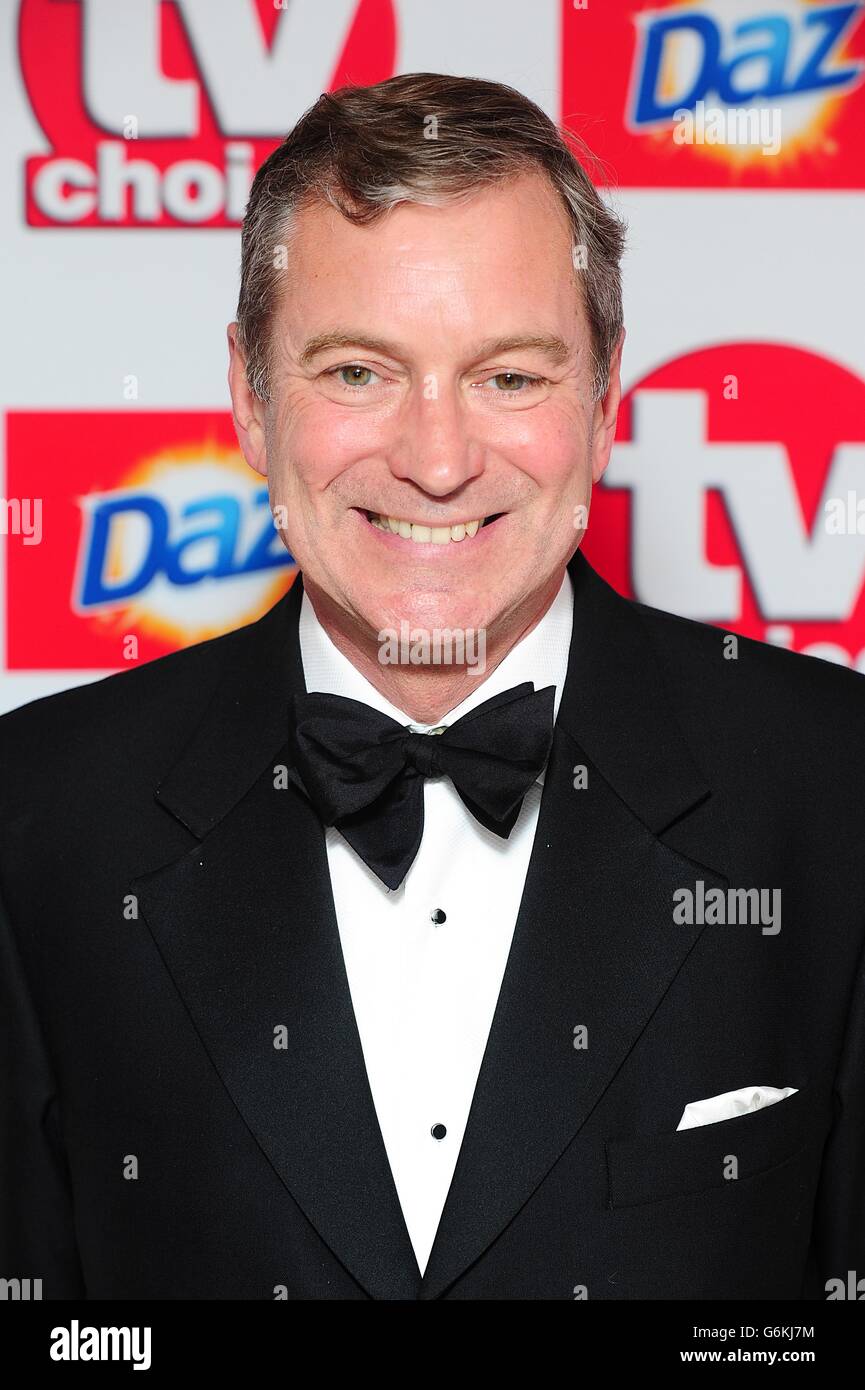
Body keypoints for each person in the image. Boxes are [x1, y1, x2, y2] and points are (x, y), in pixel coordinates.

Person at [1, 73, 863, 1301]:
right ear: (249, 395)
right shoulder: (39, 819)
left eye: (509, 376)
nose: (437, 459)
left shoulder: (834, 793)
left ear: (606, 396)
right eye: (358, 372)